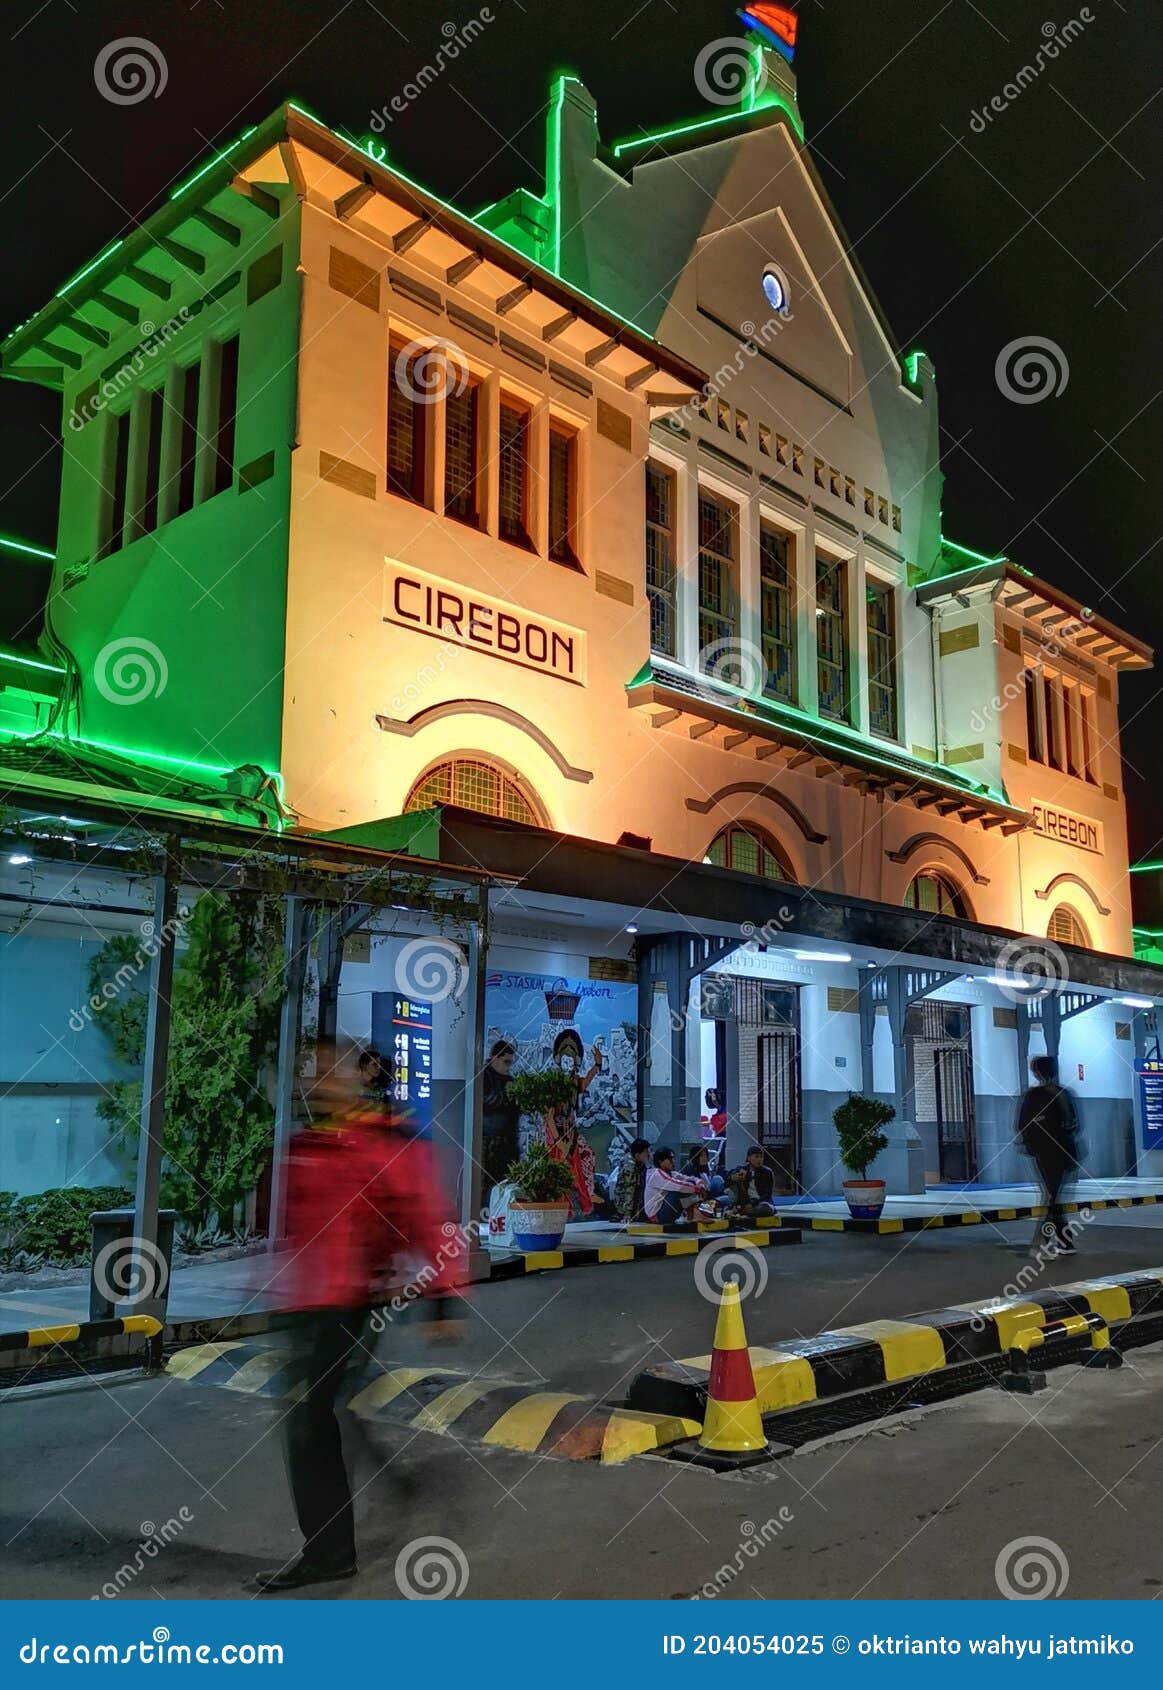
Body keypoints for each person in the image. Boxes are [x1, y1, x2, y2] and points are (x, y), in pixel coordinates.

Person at [257, 1038, 463, 1593]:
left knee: (309, 1421)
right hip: (306, 1304)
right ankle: (356, 1513)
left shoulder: (382, 1142)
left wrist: (443, 1297)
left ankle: (329, 1553)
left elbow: (426, 1214)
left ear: (355, 1077)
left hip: (350, 1305)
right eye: (311, 1073)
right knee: (319, 1414)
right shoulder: (308, 1144)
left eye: (329, 1072)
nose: (318, 1083)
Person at [1016, 1054, 1081, 1254]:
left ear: (1037, 1072)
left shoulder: (1033, 1096)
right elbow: (1075, 1125)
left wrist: (1031, 1145)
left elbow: (1023, 1125)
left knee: (1053, 1197)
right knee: (1054, 1197)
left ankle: (1045, 1241)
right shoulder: (1065, 1094)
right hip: (1066, 1152)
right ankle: (1063, 1241)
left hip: (1044, 1153)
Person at [543, 1028, 601, 1215]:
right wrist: (560, 1142)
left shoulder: (575, 1081)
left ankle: (586, 1194)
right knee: (559, 1168)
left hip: (571, 1131)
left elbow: (584, 1084)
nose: (569, 1063)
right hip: (556, 1133)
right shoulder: (553, 1083)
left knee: (587, 1156)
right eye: (565, 1057)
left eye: (572, 1057)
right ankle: (559, 1205)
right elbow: (549, 1117)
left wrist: (597, 1065)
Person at [480, 1039, 519, 1199]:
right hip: (488, 1141)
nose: (508, 1066)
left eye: (510, 1063)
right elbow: (483, 1102)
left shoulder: (508, 1080)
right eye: (506, 1062)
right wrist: (506, 1095)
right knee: (487, 1182)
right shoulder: (483, 1076)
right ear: (495, 1058)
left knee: (506, 1181)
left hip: (507, 1141)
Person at [644, 1145, 708, 1224]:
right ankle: (694, 1215)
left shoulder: (671, 1173)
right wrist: (697, 1189)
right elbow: (678, 1186)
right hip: (658, 1216)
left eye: (673, 1159)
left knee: (689, 1185)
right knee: (678, 1190)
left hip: (667, 1211)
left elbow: (691, 1179)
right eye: (670, 1159)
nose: (672, 1161)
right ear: (660, 1162)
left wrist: (700, 1185)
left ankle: (693, 1215)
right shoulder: (656, 1174)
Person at [726, 1145, 777, 1219]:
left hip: (761, 1203)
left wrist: (753, 1203)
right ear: (749, 1158)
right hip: (745, 1203)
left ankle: (743, 1212)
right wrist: (733, 1177)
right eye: (756, 1157)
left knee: (766, 1208)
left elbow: (768, 1194)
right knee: (733, 1187)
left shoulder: (767, 1172)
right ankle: (741, 1210)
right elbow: (727, 1179)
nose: (759, 1160)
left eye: (761, 1157)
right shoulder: (742, 1169)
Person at [614, 1137, 652, 1222]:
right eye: (645, 1153)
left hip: (636, 1200)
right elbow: (628, 1190)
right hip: (625, 1204)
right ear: (637, 1155)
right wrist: (627, 1214)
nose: (648, 1155)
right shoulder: (629, 1167)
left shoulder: (640, 1163)